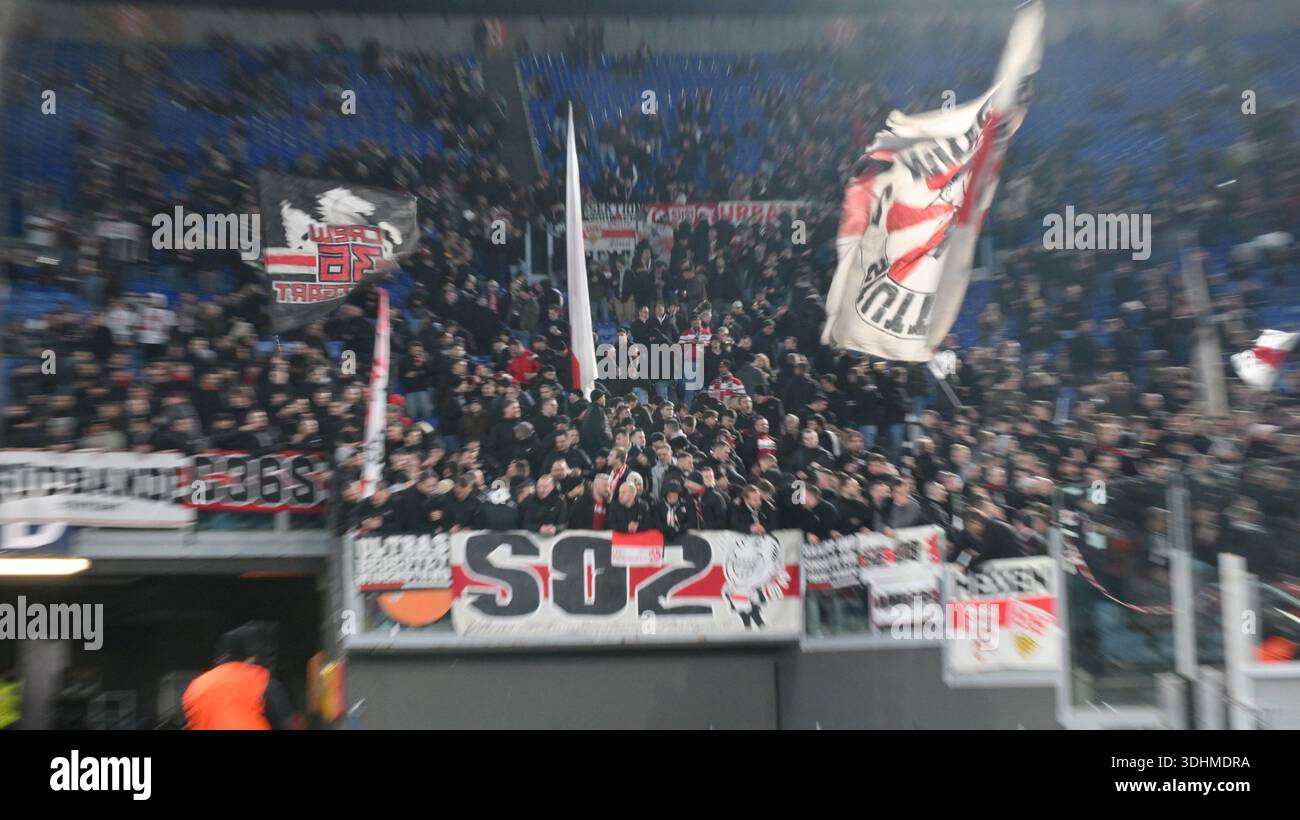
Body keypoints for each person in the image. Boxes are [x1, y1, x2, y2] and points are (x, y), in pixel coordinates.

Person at [183, 626, 293, 730]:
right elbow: (285, 723)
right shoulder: (262, 681)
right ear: (250, 658)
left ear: (218, 659)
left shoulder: (195, 687)